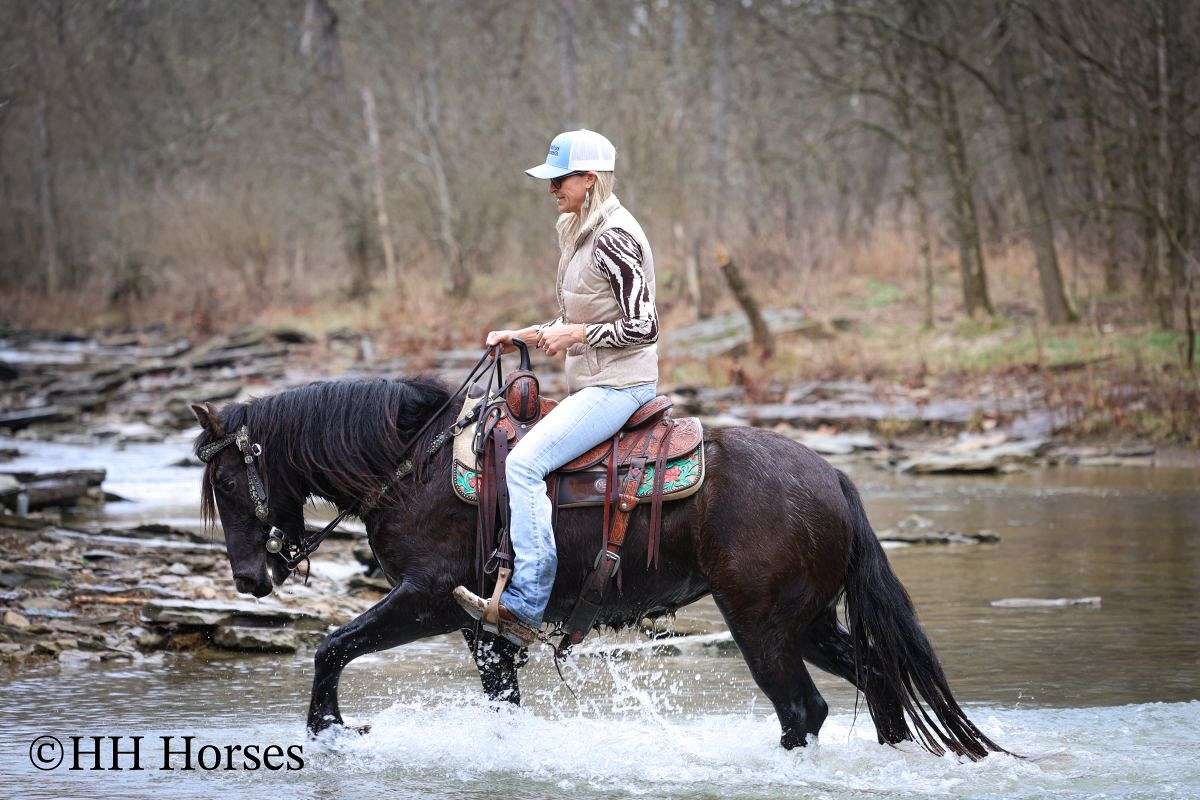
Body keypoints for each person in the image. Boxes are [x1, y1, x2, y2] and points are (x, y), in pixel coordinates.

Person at [453, 129, 660, 646]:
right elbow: (577, 319)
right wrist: (518, 334)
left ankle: (526, 601)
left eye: (560, 178)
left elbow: (646, 326)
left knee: (523, 465)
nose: (551, 188)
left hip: (618, 386)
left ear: (590, 178)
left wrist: (579, 335)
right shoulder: (579, 232)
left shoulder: (614, 236)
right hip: (591, 383)